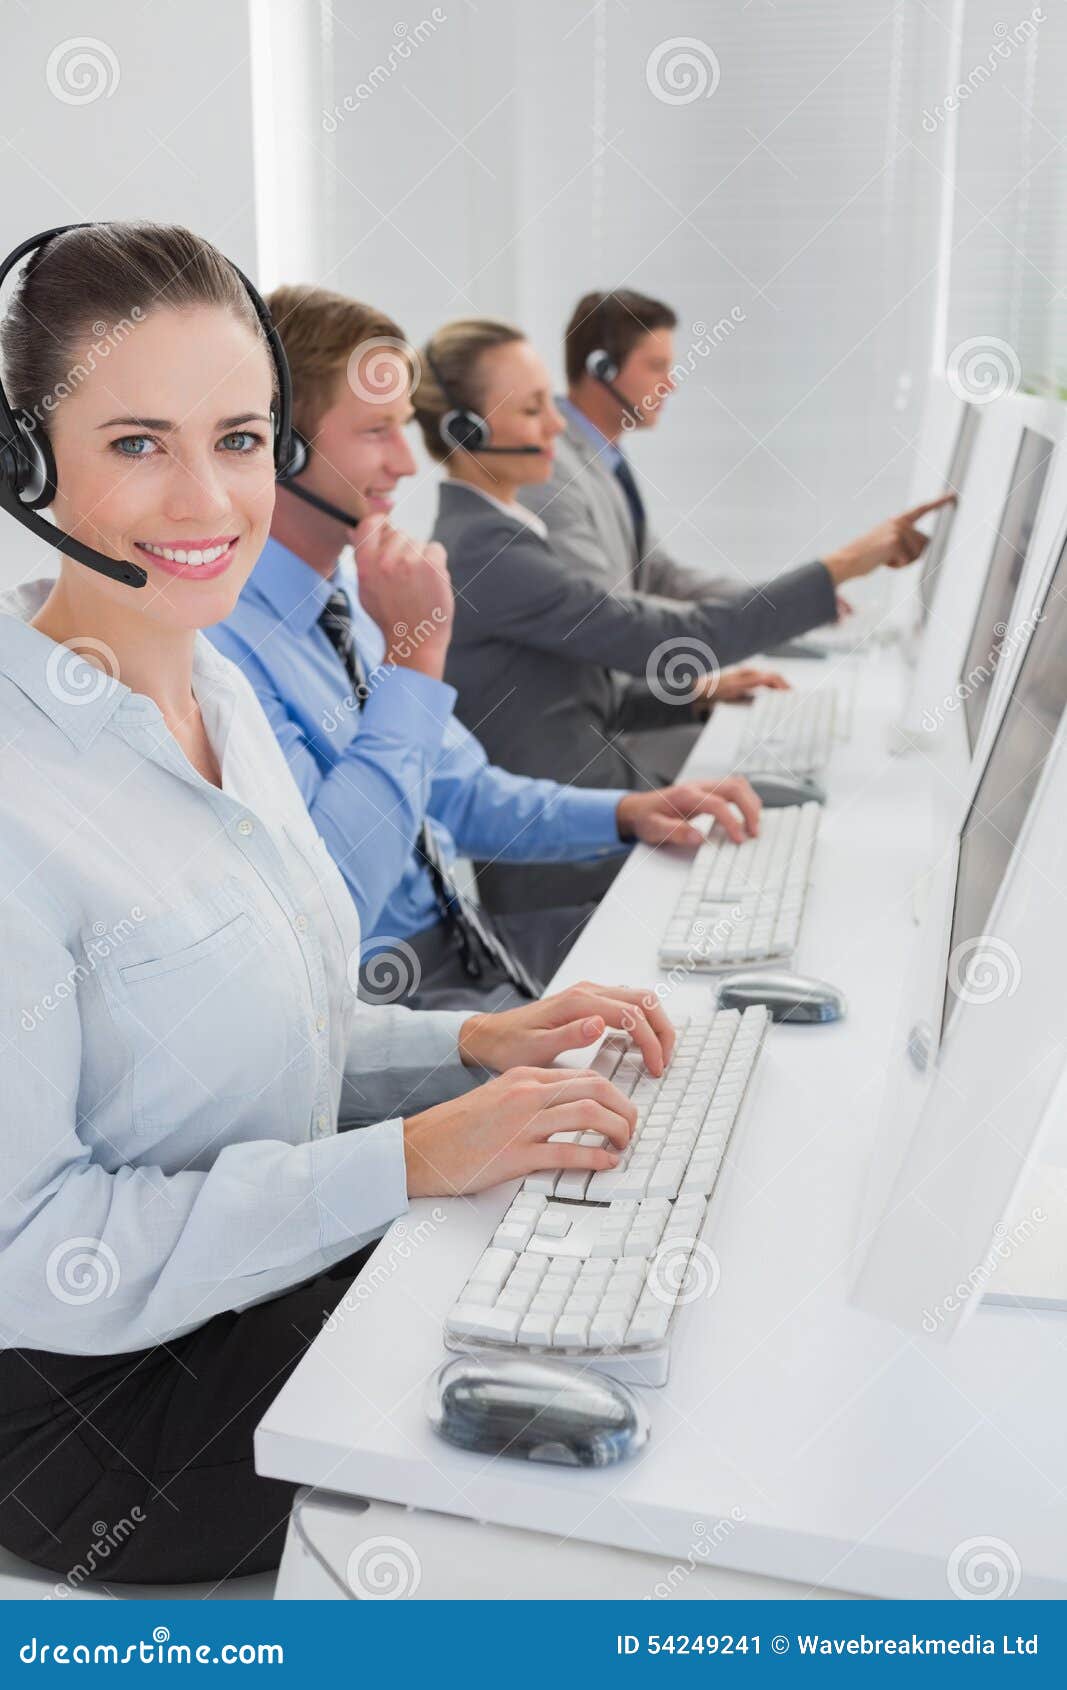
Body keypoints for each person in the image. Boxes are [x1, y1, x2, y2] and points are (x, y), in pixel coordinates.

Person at [0, 222, 674, 1586]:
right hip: (100, 1405)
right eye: (138, 443)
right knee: (566, 1498)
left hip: (248, 1281)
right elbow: (34, 1251)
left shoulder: (222, 689)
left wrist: (465, 1047)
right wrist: (412, 1158)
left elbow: (242, 1049)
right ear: (24, 463)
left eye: (240, 438)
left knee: (606, 1311)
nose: (207, 499)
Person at [209, 283, 764, 1004]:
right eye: (377, 431)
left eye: (404, 427)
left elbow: (462, 795)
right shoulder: (223, 650)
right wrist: (414, 664)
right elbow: (334, 895)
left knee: (707, 1002)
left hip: (471, 949)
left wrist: (628, 814)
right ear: (278, 450)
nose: (408, 465)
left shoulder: (355, 596)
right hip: (383, 999)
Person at [417, 316, 952, 912]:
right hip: (561, 878)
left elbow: (571, 698)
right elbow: (665, 636)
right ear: (465, 432)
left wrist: (695, 696)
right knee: (812, 880)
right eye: (532, 410)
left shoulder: (502, 532)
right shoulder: (489, 553)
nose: (557, 425)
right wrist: (847, 563)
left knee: (800, 862)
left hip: (595, 834)